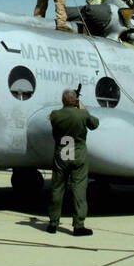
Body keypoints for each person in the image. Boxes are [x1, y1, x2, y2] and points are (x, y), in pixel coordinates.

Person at [47, 88, 100, 235]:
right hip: (78, 156)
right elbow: (94, 124)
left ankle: (53, 223)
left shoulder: (55, 115)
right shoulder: (82, 114)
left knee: (57, 189)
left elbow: (53, 123)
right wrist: (81, 107)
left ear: (63, 100)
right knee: (79, 190)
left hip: (62, 155)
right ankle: (78, 225)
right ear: (75, 100)